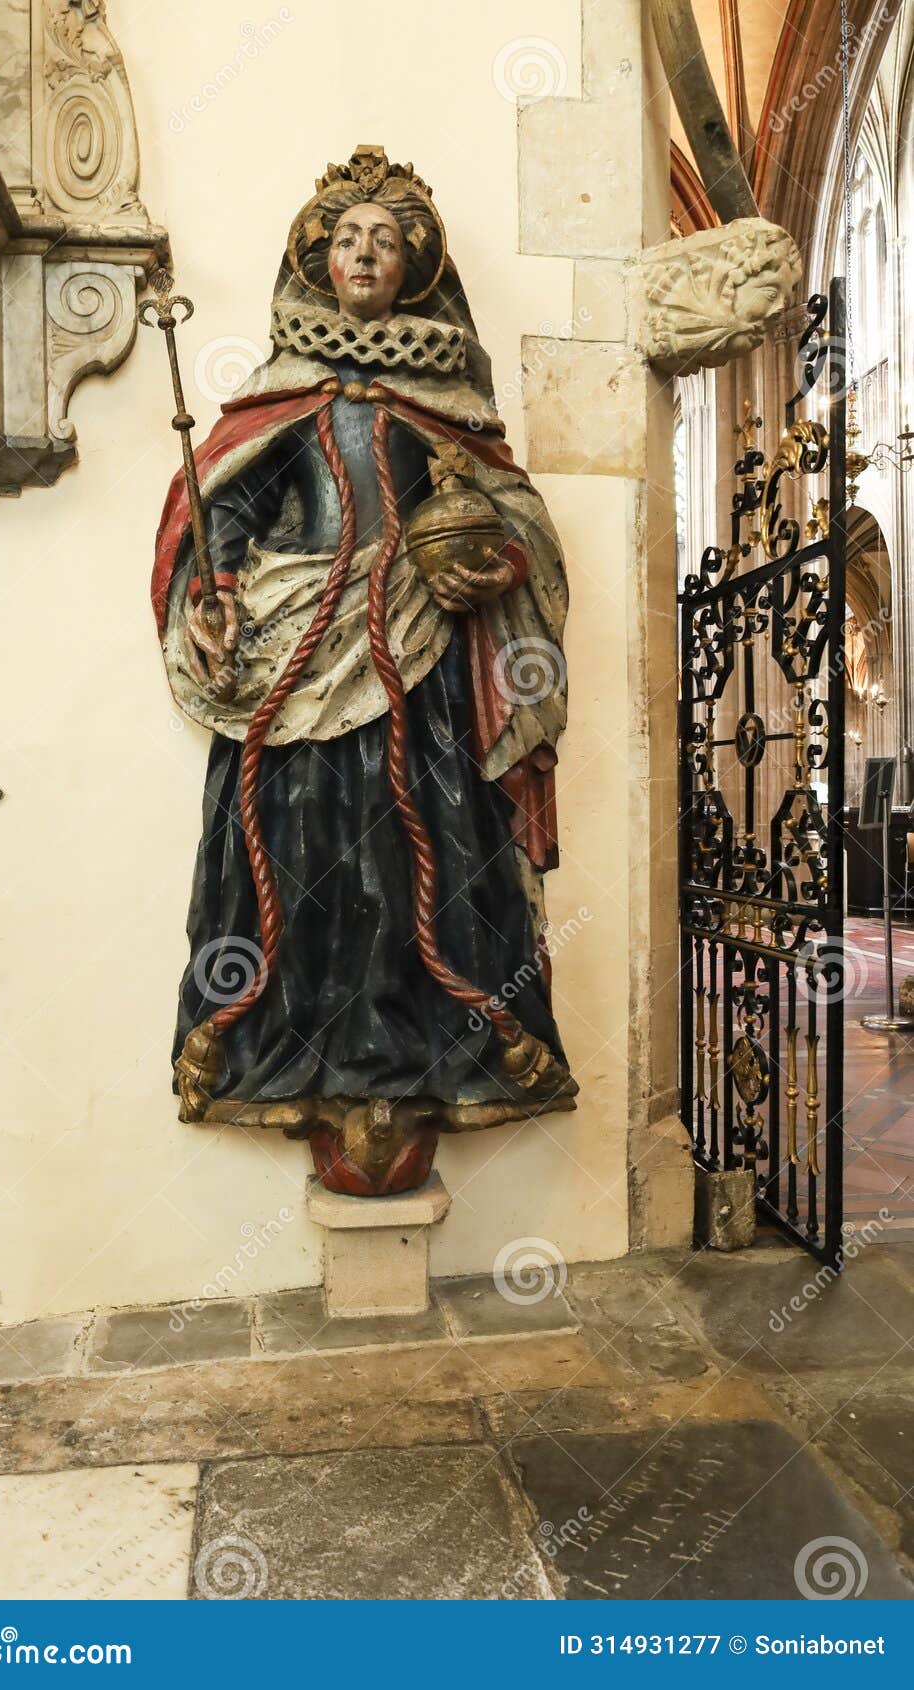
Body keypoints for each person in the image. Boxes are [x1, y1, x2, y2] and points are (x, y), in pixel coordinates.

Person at [152, 146, 577, 1194]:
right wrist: (207, 596)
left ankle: (432, 1047)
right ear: (316, 256)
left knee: (424, 841)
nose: (364, 254)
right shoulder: (278, 396)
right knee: (296, 841)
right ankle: (282, 1046)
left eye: (385, 242)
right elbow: (219, 516)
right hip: (296, 653)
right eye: (347, 238)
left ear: (416, 267)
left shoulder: (449, 401)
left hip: (419, 651)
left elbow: (514, 514)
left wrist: (493, 555)